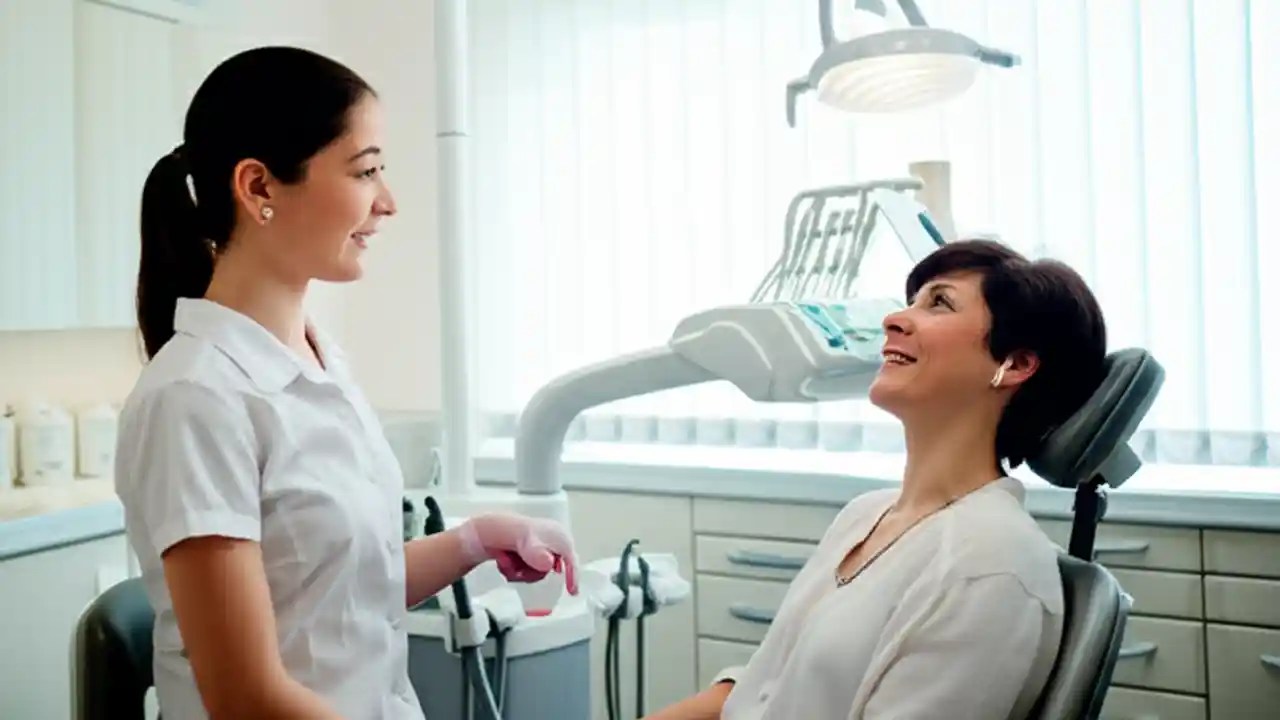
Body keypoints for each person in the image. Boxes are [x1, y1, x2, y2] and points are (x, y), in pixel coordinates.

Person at [114, 46, 578, 720]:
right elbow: (246, 698)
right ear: (259, 188)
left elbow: (338, 593)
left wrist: (475, 541)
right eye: (365, 172)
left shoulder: (320, 361)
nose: (387, 202)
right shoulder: (195, 398)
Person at [647, 239, 1108, 720]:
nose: (894, 319)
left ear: (1014, 364)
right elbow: (767, 687)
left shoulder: (991, 566)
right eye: (912, 301)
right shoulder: (867, 513)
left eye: (939, 303)